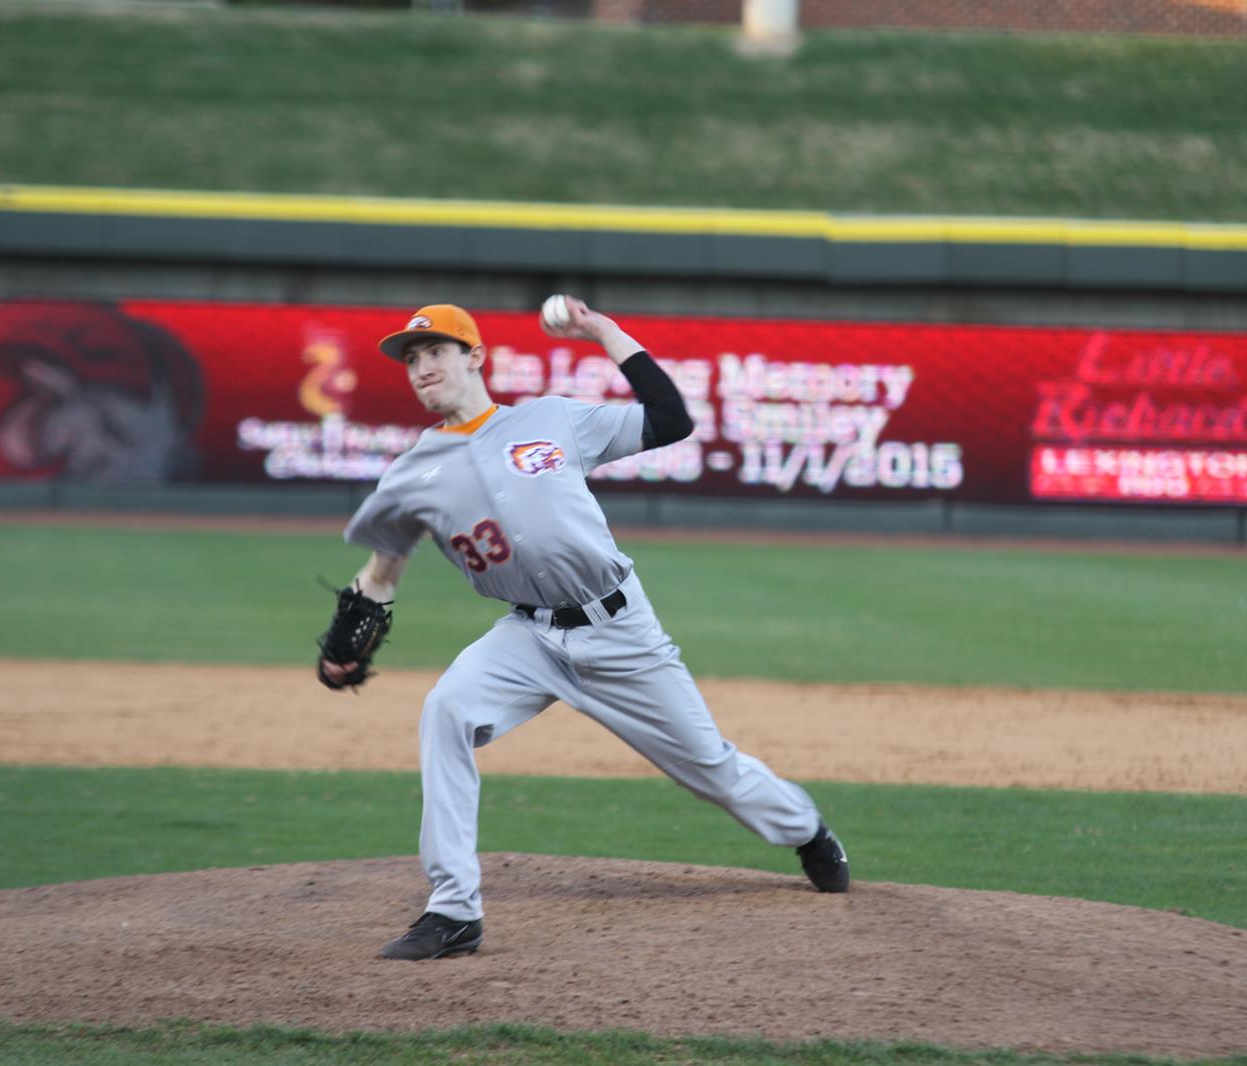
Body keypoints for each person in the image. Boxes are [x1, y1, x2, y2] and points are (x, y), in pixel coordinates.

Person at [318, 298, 849, 962]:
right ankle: (453, 910)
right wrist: (345, 637)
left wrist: (602, 330)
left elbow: (671, 419)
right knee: (446, 710)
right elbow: (382, 573)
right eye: (412, 359)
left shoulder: (551, 418)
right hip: (527, 638)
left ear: (475, 357)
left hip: (619, 628)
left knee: (709, 768)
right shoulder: (410, 473)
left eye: (436, 352)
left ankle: (806, 830)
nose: (422, 367)